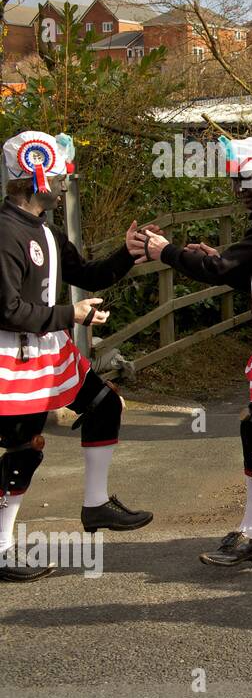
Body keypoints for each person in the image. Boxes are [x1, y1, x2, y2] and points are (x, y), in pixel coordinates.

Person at [139, 135, 252, 567]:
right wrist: (222, 259)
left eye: (245, 181)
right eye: (234, 183)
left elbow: (225, 269)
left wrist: (165, 251)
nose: (239, 191)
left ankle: (251, 532)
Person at [0, 131, 152, 581]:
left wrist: (127, 254)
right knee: (23, 451)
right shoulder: (5, 233)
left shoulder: (44, 230)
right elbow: (6, 309)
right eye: (61, 173)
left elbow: (87, 272)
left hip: (47, 349)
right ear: (36, 175)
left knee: (104, 405)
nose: (66, 181)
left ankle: (96, 504)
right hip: (14, 357)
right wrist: (71, 312)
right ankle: (2, 547)